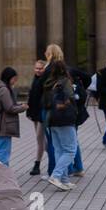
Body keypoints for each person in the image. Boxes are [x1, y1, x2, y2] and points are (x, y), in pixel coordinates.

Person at [42, 59, 80, 191]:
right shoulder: (65, 81)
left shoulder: (48, 83)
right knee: (70, 150)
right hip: (65, 118)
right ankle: (56, 176)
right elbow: (71, 97)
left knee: (59, 150)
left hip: (52, 119)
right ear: (65, 69)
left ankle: (64, 180)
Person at [0, 67, 26, 166]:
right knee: (3, 152)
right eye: (14, 78)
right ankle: (3, 176)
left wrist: (19, 105)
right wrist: (23, 107)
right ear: (9, 77)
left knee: (1, 150)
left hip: (1, 124)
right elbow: (9, 108)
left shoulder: (0, 87)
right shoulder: (4, 90)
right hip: (4, 125)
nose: (15, 81)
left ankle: (0, 175)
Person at [26, 59, 47, 175]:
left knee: (40, 139)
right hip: (34, 113)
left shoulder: (45, 80)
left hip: (42, 113)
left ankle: (37, 164)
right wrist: (28, 112)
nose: (38, 70)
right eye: (36, 68)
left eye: (40, 68)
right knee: (42, 141)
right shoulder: (35, 79)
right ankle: (54, 159)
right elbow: (32, 96)